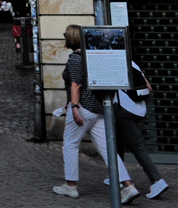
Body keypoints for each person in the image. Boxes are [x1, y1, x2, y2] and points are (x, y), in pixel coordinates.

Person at [55, 24, 137, 201]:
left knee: (70, 144)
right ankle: (128, 185)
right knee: (108, 149)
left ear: (71, 39)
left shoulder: (75, 58)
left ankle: (70, 186)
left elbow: (76, 84)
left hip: (83, 107)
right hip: (99, 109)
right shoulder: (91, 56)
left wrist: (74, 107)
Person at [113, 61, 168, 199]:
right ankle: (117, 177)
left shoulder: (112, 61)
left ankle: (157, 181)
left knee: (137, 147)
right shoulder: (131, 62)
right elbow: (148, 88)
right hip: (137, 109)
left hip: (123, 109)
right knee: (117, 141)